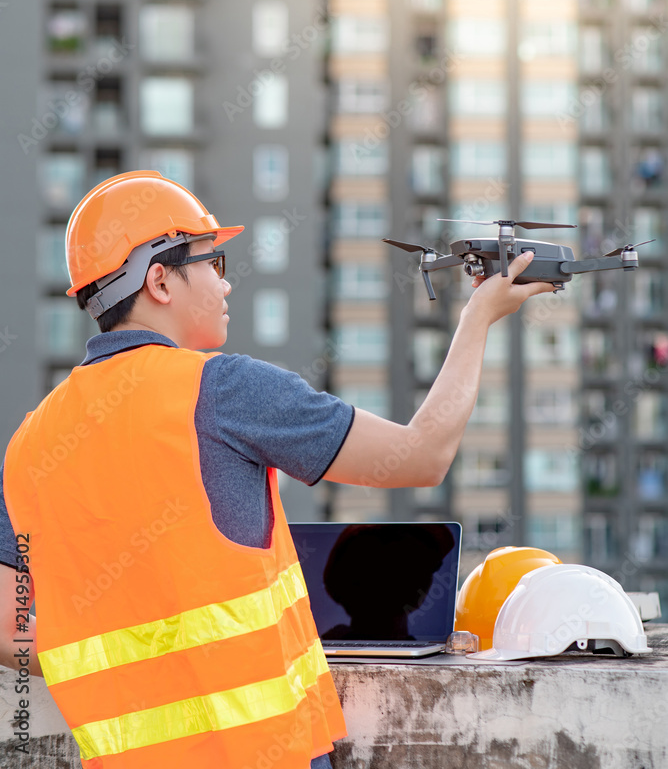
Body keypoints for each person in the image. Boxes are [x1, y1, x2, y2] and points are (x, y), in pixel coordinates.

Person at [0, 171, 553, 768]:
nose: (226, 282)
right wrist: (478, 319)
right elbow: (422, 455)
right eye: (213, 262)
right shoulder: (223, 389)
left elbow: (11, 631)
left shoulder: (31, 443)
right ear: (159, 280)